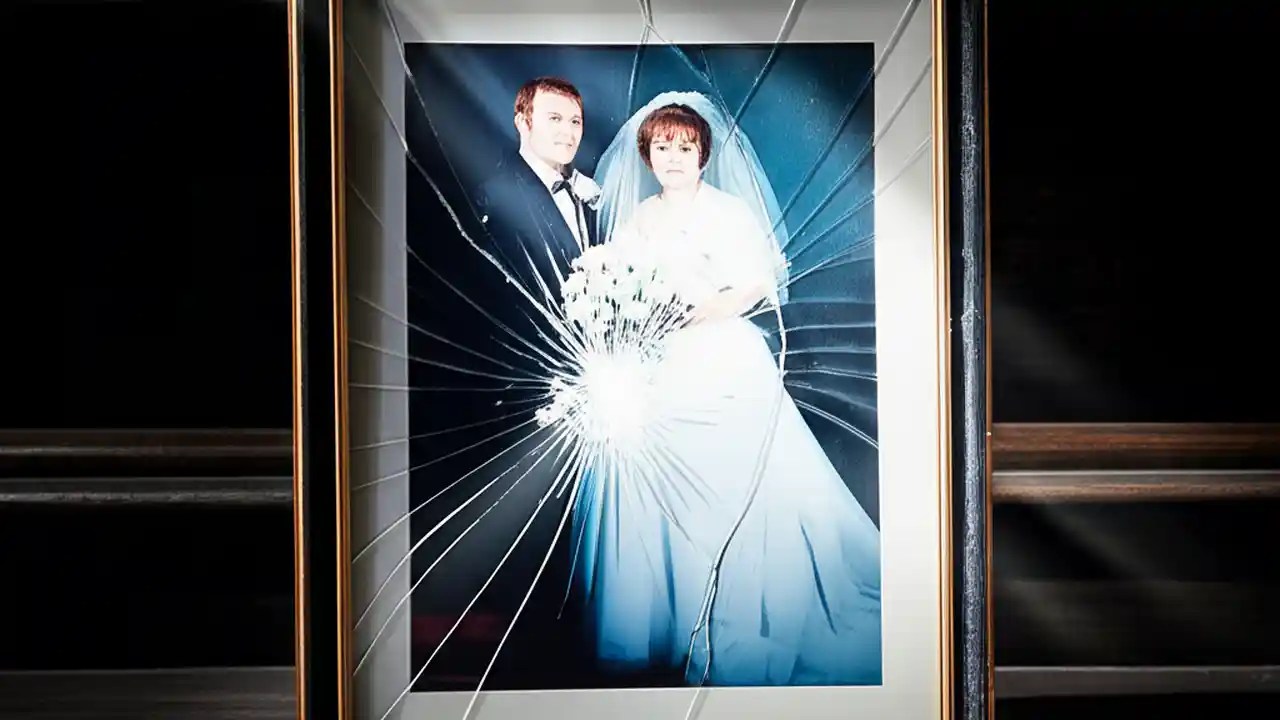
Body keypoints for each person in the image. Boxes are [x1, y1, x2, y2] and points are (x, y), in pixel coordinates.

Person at [567, 92, 884, 687]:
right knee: (648, 471)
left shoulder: (729, 212)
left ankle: (737, 614)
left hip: (721, 353)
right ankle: (669, 614)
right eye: (663, 148)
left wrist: (702, 311)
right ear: (647, 155)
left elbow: (758, 282)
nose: (674, 158)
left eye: (685, 148)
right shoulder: (638, 219)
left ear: (704, 156)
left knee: (731, 478)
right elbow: (623, 283)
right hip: (660, 359)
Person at [476, 76, 601, 304]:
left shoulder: (587, 189)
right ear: (523, 123)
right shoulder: (495, 197)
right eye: (555, 119)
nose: (568, 133)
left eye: (575, 121)